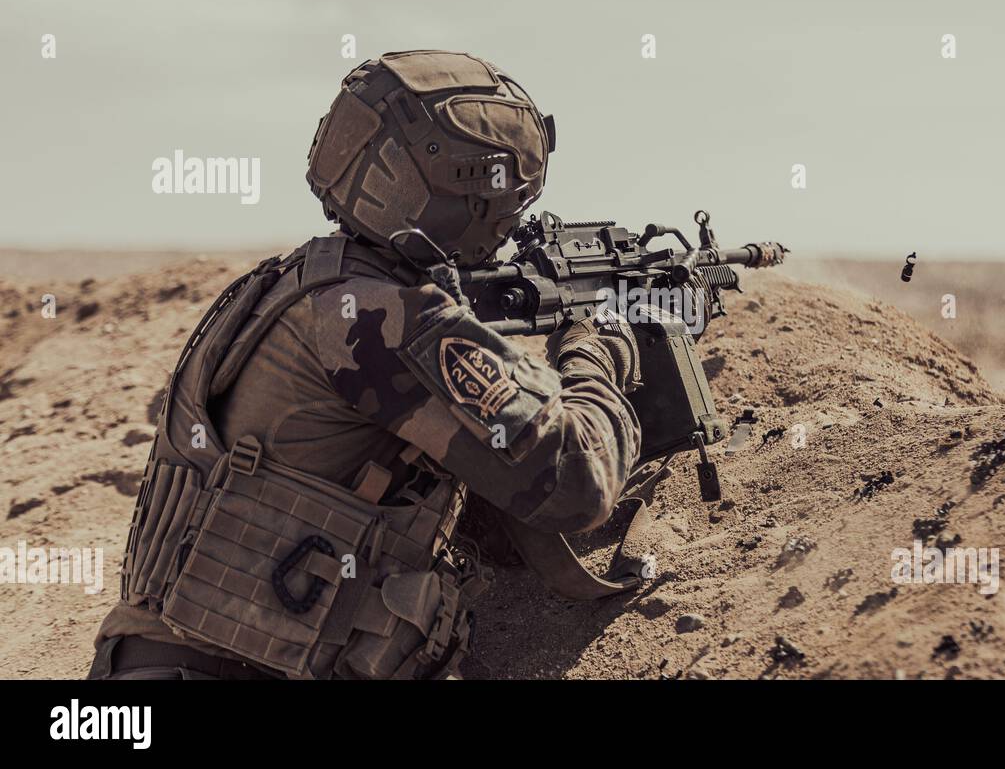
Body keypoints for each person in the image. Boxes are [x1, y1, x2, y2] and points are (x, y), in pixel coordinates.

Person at [89, 50, 642, 680]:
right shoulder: (376, 315)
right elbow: (575, 484)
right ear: (464, 186)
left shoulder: (296, 284)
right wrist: (595, 351)